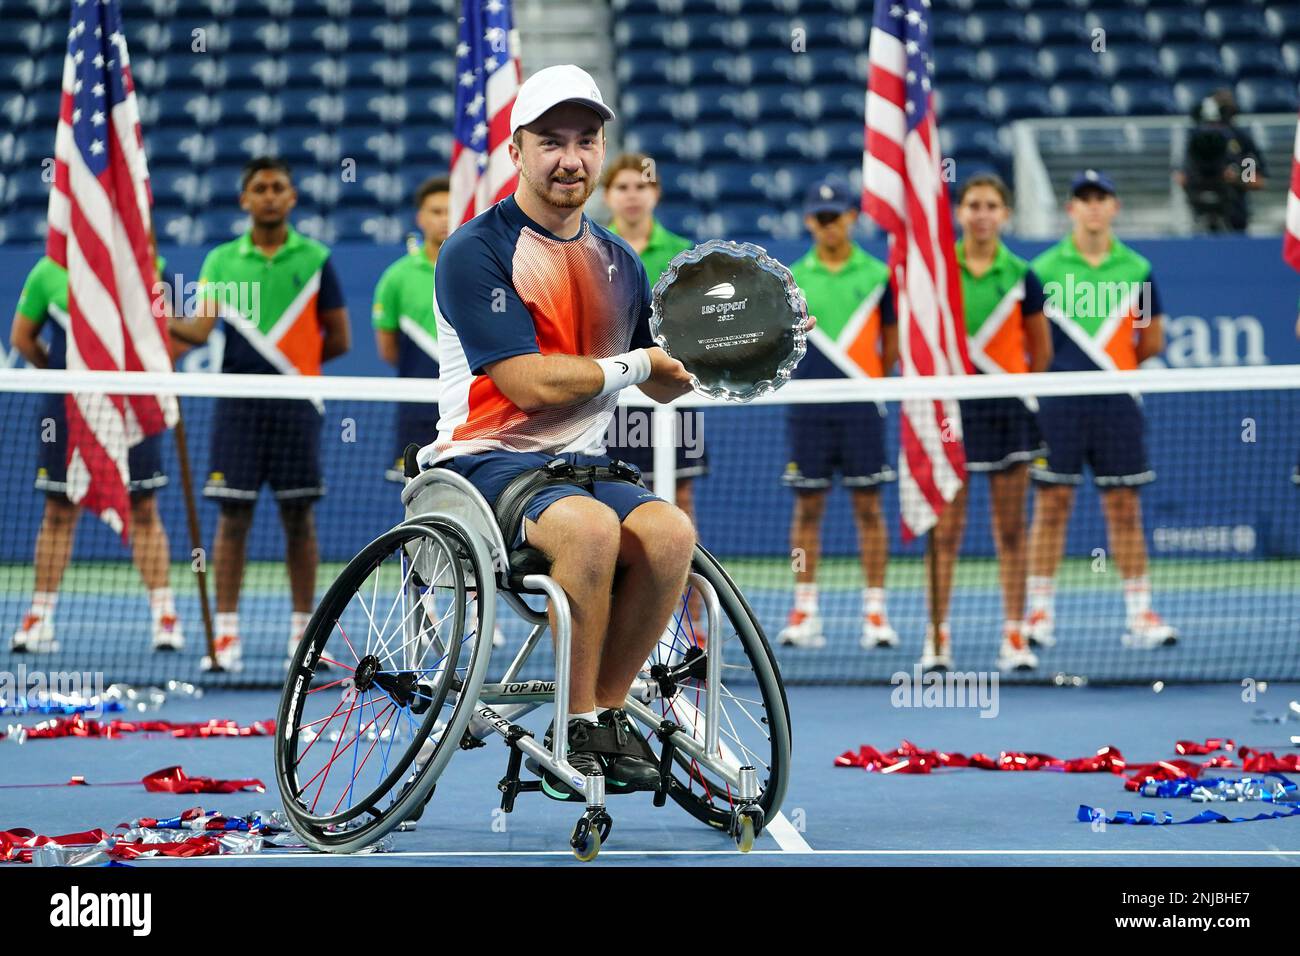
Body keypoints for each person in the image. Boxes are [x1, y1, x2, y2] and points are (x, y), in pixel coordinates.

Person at [423, 65, 811, 797]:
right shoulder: (475, 250)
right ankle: (575, 720)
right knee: (592, 532)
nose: (570, 158)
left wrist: (751, 345)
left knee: (670, 535)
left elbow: (664, 382)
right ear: (517, 150)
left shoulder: (619, 262)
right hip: (485, 464)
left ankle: (606, 710)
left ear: (602, 150)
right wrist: (635, 362)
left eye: (586, 141)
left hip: (585, 469)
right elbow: (526, 383)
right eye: (551, 141)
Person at [169, 157, 351, 671]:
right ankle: (225, 636)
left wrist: (295, 368)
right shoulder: (221, 261)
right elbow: (199, 330)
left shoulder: (315, 259)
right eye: (260, 188)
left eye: (279, 186)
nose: (270, 195)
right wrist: (152, 309)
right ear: (244, 200)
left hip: (297, 409)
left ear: (291, 197)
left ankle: (305, 635)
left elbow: (339, 338)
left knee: (299, 519)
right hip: (237, 409)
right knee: (232, 519)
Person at [1026, 169, 1176, 650]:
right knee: (1052, 506)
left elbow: (1151, 339)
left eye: (1102, 198)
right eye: (1084, 199)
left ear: (1115, 207)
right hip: (1059, 403)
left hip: (1118, 403)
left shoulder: (1139, 269)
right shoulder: (1043, 269)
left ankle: (1140, 612)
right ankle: (1039, 612)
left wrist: (1114, 369)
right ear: (1071, 209)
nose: (1093, 207)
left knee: (1124, 508)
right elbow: (1033, 341)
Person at [9, 254, 183, 653]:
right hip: (66, 411)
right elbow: (22, 338)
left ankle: (165, 616)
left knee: (143, 507)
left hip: (133, 407)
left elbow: (173, 337)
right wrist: (65, 376)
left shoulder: (148, 263)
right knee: (58, 510)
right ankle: (39, 616)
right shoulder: (47, 270)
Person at [920, 173, 1052, 673]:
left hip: (1007, 411)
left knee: (1011, 529)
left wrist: (1009, 387)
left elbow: (1040, 351)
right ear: (959, 212)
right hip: (951, 410)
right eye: (973, 204)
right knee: (946, 530)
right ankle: (937, 639)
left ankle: (1014, 636)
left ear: (1005, 214)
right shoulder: (936, 272)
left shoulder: (1022, 275)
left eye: (991, 205)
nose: (981, 213)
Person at [778, 176, 898, 651]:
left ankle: (876, 611)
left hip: (862, 407)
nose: (830, 226)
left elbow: (890, 347)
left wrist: (866, 383)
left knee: (869, 508)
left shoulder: (878, 276)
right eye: (821, 218)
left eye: (838, 216)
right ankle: (804, 608)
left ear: (852, 217)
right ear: (810, 221)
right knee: (807, 508)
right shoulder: (790, 278)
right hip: (808, 407)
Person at [601, 152, 708, 638]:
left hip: (669, 394)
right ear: (609, 196)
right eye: (622, 187)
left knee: (677, 499)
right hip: (608, 398)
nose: (632, 195)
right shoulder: (590, 248)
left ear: (655, 194)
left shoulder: (684, 254)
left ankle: (690, 627)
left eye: (641, 186)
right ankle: (624, 625)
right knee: (612, 504)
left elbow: (707, 323)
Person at [373, 175, 449, 483]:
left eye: (451, 210)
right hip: (416, 406)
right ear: (420, 218)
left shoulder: (481, 268)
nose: (445, 218)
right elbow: (389, 350)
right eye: (436, 211)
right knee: (415, 496)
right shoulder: (395, 277)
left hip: (469, 407)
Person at [1175, 88, 1266, 234]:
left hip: (1234, 217)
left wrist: (1236, 178)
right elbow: (1181, 175)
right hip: (1199, 217)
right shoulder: (1197, 140)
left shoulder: (1242, 141)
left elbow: (1256, 181)